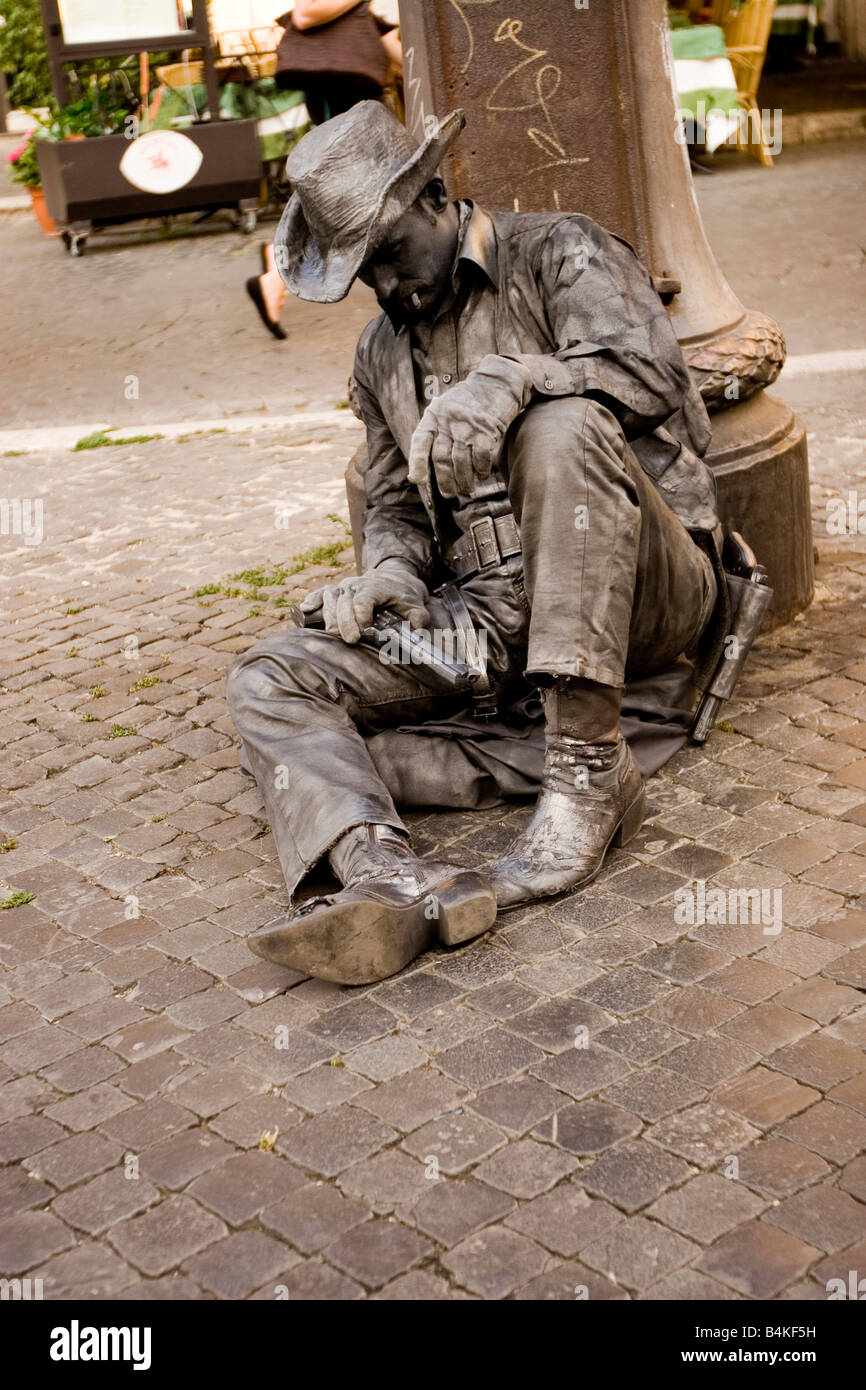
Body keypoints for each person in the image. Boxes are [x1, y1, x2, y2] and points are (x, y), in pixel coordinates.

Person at [227, 102, 724, 986]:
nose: (382, 285)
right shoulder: (381, 354)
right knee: (269, 675)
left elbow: (658, 379)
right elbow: (395, 507)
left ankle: (586, 769)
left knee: (560, 426)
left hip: (648, 588)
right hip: (491, 627)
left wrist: (522, 377)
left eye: (385, 253)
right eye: (359, 273)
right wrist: (387, 573)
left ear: (434, 195)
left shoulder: (560, 251)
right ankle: (384, 872)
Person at [246, 0, 401, 339]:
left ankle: (278, 262)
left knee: (361, 192)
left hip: (355, 95)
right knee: (343, 190)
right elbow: (304, 14)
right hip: (336, 89)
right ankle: (277, 267)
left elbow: (371, 29)